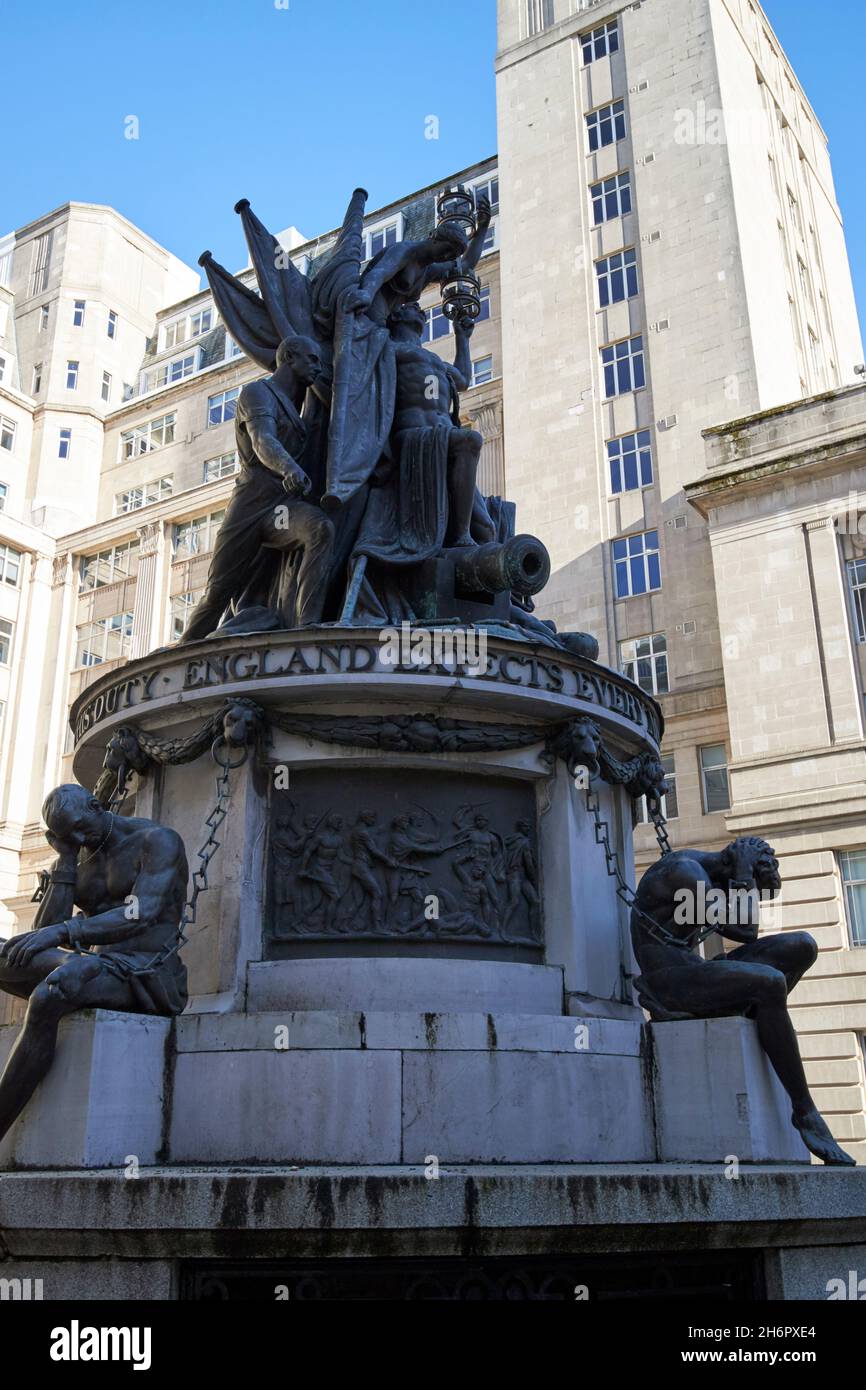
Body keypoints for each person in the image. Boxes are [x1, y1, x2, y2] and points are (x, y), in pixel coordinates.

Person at [631, 834, 855, 1165]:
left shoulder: (711, 876)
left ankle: (759, 1012)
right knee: (769, 982)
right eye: (753, 887)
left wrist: (743, 875)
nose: (749, 892)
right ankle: (804, 1110)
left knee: (802, 945)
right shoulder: (685, 873)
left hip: (695, 969)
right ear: (735, 866)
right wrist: (744, 873)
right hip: (669, 982)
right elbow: (745, 930)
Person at [0, 784, 189, 1142]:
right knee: (8, 953)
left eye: (78, 827)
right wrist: (65, 861)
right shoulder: (76, 853)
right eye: (65, 835)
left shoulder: (157, 840)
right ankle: (71, 969)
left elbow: (140, 914)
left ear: (94, 805)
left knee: (49, 995)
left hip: (144, 973)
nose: (76, 838)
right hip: (96, 966)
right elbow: (43, 932)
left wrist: (64, 932)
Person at [181, 334, 334, 641]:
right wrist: (289, 467)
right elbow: (263, 439)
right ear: (289, 357)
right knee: (218, 592)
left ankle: (307, 627)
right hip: (250, 504)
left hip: (280, 510)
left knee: (320, 529)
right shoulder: (257, 392)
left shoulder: (299, 412)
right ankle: (183, 650)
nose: (318, 367)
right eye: (312, 359)